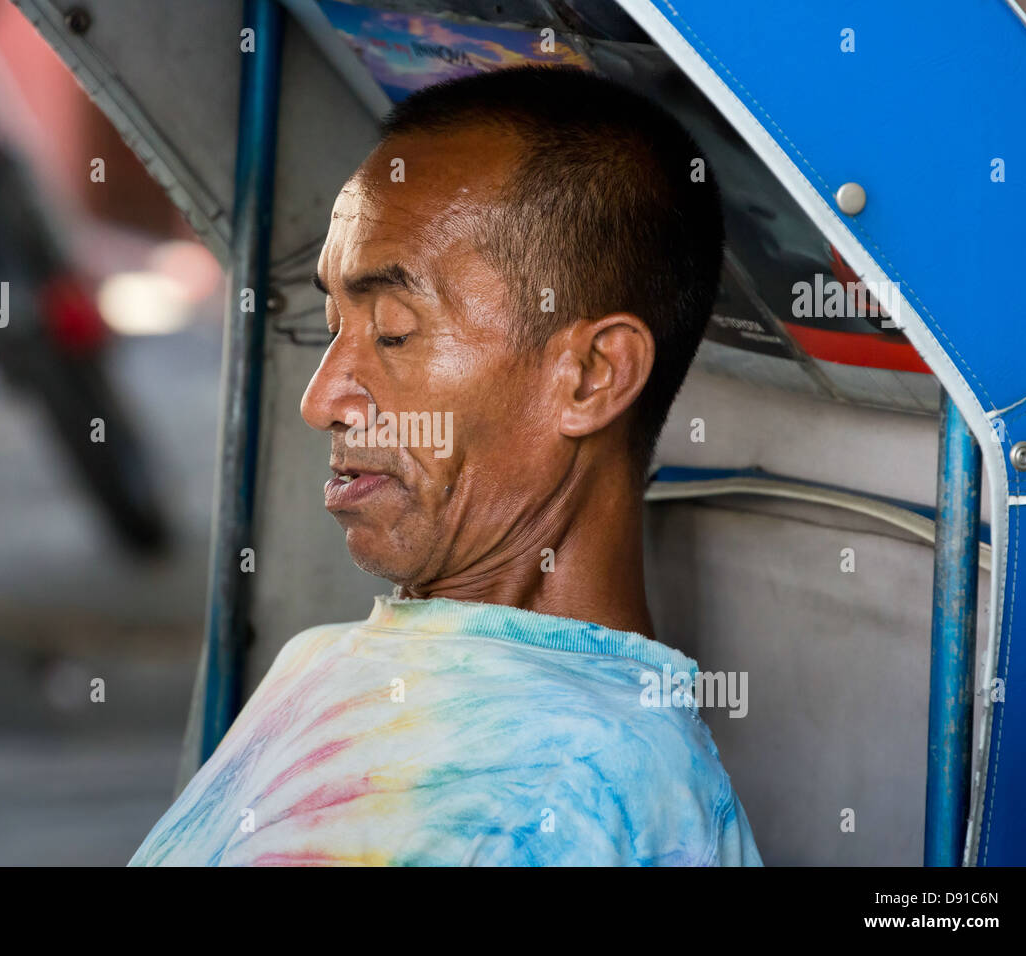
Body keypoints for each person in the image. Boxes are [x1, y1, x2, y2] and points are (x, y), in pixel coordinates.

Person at [131, 64, 762, 866]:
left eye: (393, 332)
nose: (323, 399)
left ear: (592, 376)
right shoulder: (319, 660)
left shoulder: (577, 790)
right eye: (334, 324)